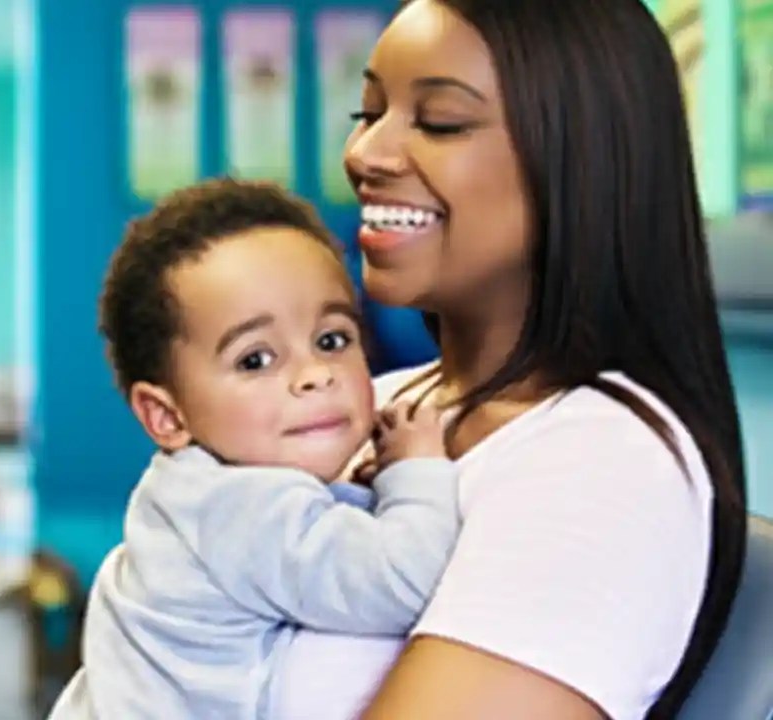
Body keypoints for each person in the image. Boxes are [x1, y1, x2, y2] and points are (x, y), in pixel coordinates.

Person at [271, 1, 748, 718]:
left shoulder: (600, 462)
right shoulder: (377, 403)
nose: (365, 155)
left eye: (439, 122)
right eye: (368, 114)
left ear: (581, 158)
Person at [49, 179, 462, 718]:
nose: (314, 375)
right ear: (166, 416)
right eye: (254, 360)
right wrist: (417, 472)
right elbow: (400, 580)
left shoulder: (193, 492)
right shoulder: (241, 505)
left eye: (332, 340)